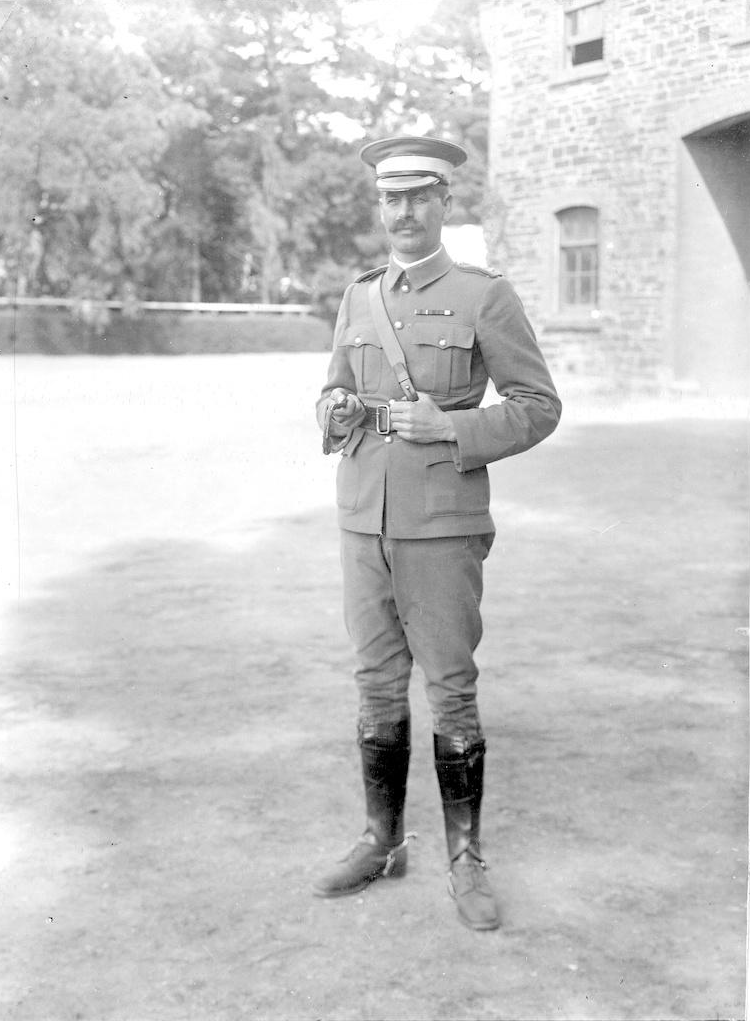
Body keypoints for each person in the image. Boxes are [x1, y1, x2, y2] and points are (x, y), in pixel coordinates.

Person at [313, 135, 561, 931]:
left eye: (420, 196)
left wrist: (452, 426)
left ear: (445, 203)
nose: (405, 212)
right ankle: (382, 841)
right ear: (379, 207)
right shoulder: (359, 297)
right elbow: (333, 390)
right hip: (363, 518)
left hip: (442, 524)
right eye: (392, 198)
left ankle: (465, 859)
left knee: (451, 688)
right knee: (375, 683)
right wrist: (335, 410)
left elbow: (538, 406)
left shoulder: (484, 296)